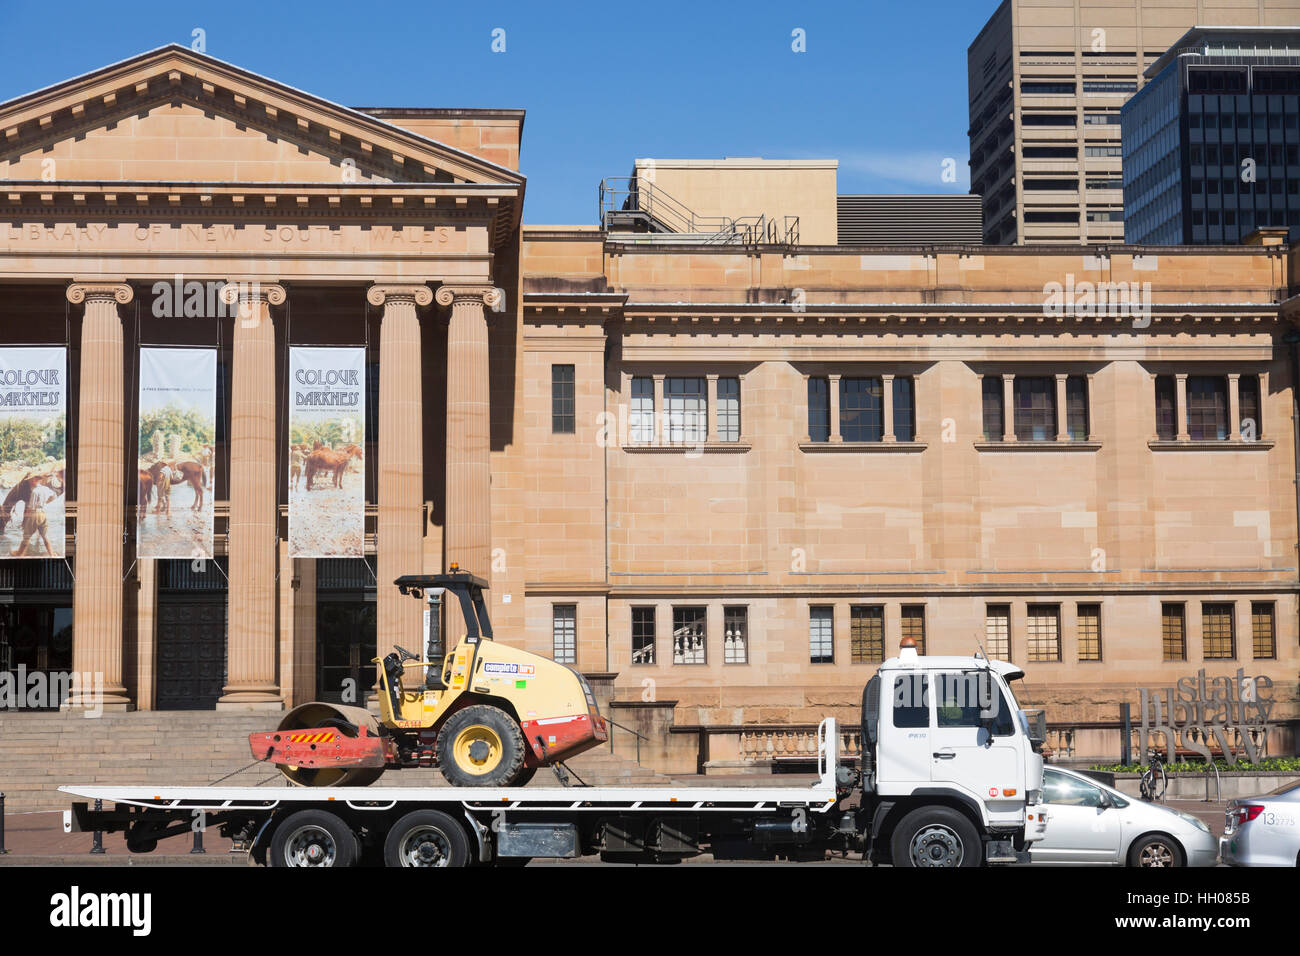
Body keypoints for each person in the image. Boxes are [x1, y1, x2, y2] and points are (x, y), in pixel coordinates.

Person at [11, 476, 57, 557]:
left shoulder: (35, 491)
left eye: (31, 480)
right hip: (43, 513)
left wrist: (26, 519)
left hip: (34, 514)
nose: (30, 482)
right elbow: (54, 495)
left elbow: (31, 507)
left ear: (34, 480)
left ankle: (19, 554)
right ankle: (51, 554)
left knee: (26, 537)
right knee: (45, 536)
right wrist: (45, 502)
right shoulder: (45, 489)